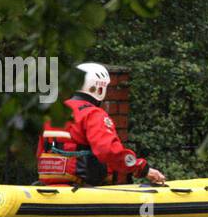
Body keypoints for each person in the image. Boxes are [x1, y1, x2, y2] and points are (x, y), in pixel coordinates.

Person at [37, 63, 166, 186]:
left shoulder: (55, 111)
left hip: (50, 187)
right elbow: (108, 151)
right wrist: (142, 168)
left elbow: (40, 152)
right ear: (99, 88)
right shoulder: (93, 114)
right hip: (82, 188)